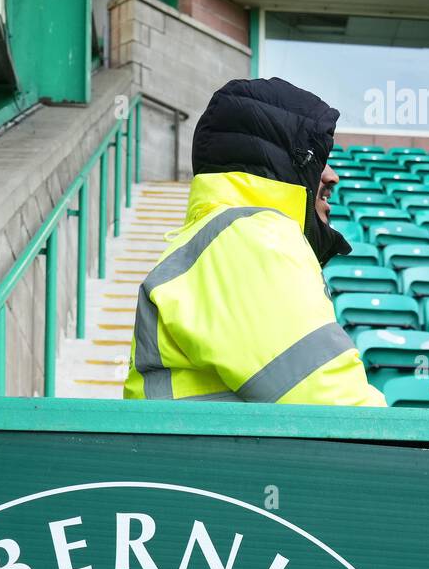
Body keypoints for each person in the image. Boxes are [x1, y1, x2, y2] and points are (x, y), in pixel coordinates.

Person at [124, 77, 384, 407]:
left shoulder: (221, 237)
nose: (332, 175)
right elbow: (334, 409)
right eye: (318, 156)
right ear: (281, 163)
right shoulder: (251, 238)